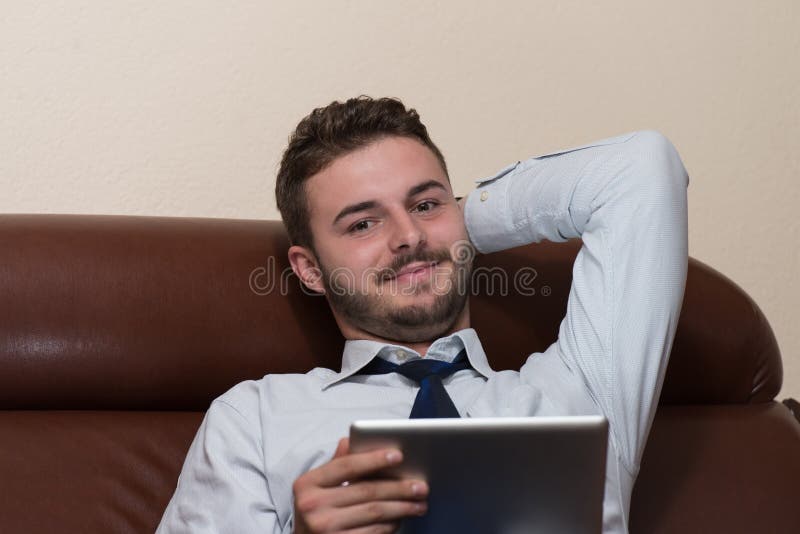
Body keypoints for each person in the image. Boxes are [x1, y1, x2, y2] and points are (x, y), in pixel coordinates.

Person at [157, 96, 689, 533]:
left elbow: (639, 170)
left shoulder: (579, 395)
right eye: (362, 224)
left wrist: (456, 231)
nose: (407, 236)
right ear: (311, 270)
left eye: (425, 204)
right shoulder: (254, 420)